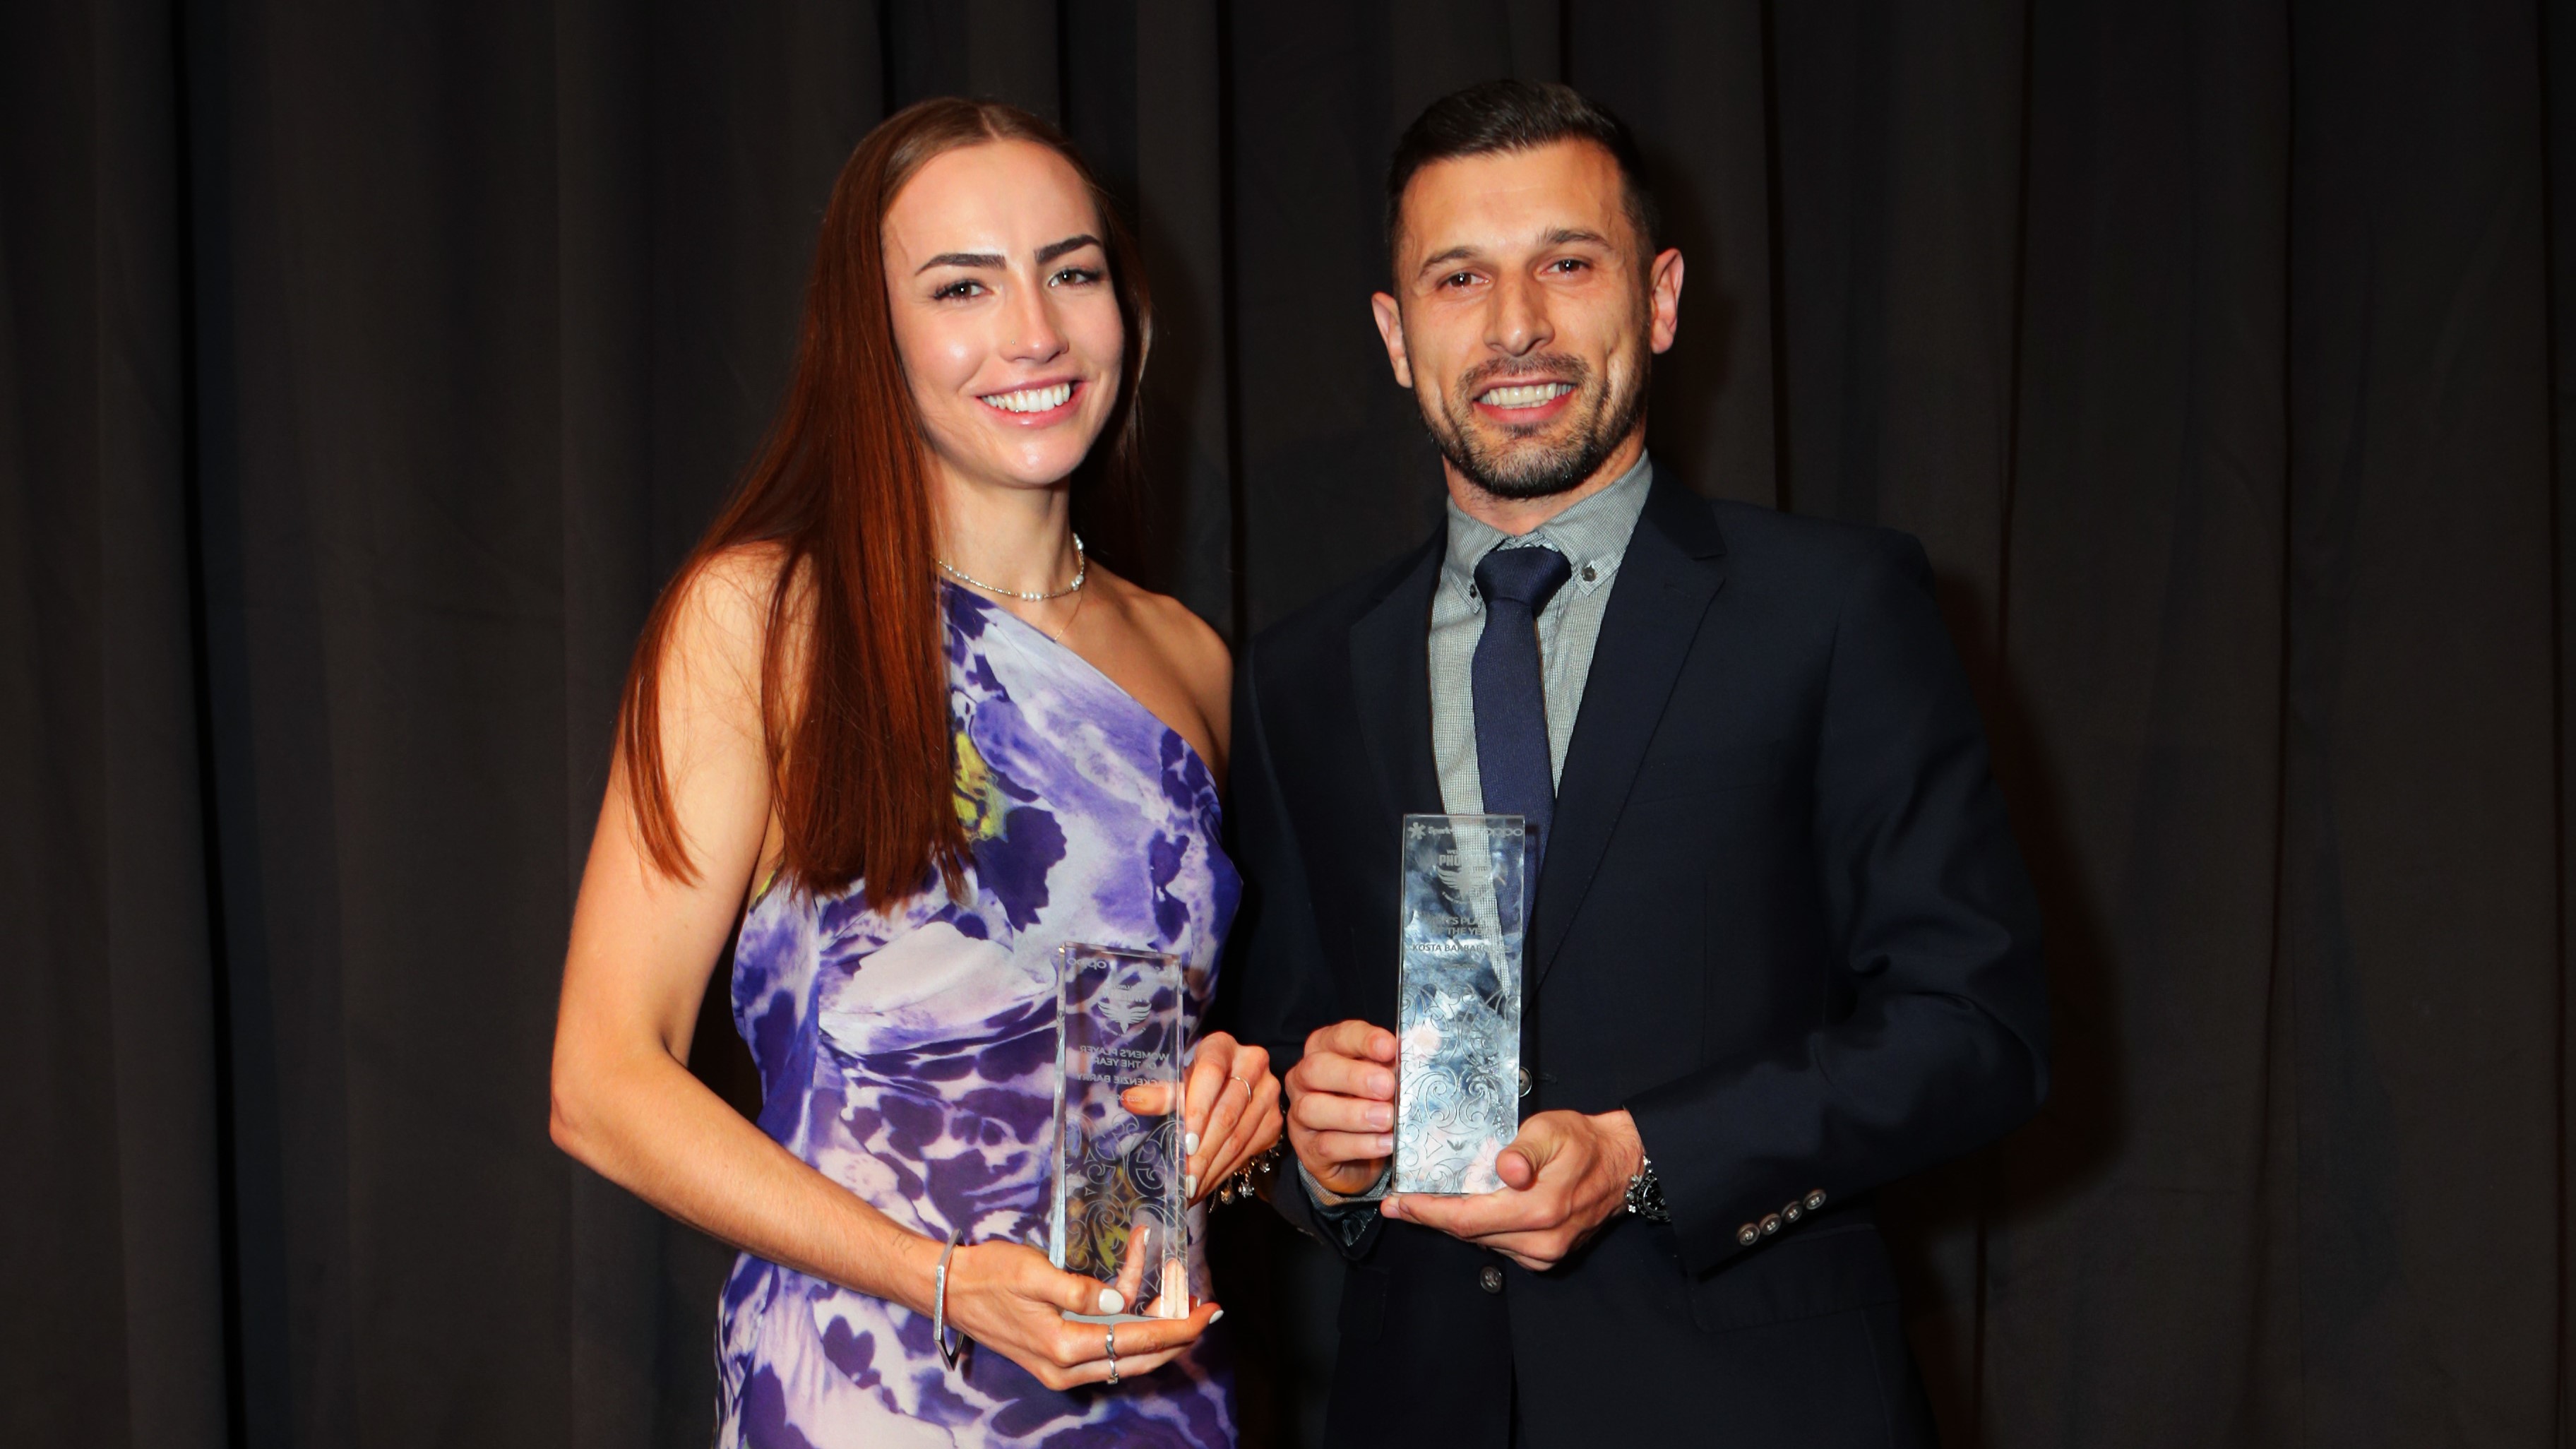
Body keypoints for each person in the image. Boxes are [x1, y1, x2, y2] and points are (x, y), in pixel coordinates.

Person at [1230, 80, 2049, 1446]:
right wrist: (1317, 1153)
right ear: (1394, 334)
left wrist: (1646, 1157)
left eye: (1568, 263)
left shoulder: (1834, 609)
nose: (1515, 326)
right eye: (1457, 278)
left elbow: (1978, 1031)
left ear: (1659, 299)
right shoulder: (1298, 675)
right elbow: (1280, 1054)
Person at [549, 97, 1282, 1447]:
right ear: (871, 332)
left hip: (1148, 1390)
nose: (1035, 332)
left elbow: (1152, 1075)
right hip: (863, 1391)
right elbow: (601, 1084)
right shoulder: (763, 622)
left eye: (1071, 271)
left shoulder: (1193, 660)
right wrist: (943, 1281)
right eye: (963, 286)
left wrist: (1237, 1107)